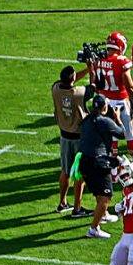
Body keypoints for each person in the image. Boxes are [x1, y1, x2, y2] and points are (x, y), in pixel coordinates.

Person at [77, 96, 124, 238]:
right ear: (105, 107)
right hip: (98, 162)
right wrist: (118, 118)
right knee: (105, 196)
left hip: (83, 161)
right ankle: (93, 229)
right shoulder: (105, 121)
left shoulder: (86, 120)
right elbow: (122, 133)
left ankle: (103, 214)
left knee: (98, 192)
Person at [51, 65, 88, 216]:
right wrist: (90, 68)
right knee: (79, 173)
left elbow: (68, 80)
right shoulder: (78, 93)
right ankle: (77, 208)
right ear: (73, 79)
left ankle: (62, 202)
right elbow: (93, 86)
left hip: (64, 135)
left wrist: (84, 70)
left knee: (65, 171)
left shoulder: (55, 89)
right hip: (78, 138)